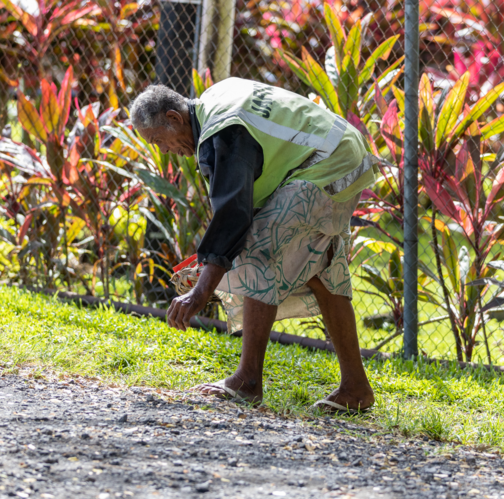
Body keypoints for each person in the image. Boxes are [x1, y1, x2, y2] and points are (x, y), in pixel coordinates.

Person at [130, 78, 375, 413]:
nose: (164, 150)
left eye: (159, 140)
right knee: (323, 268)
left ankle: (247, 382)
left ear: (174, 118)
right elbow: (245, 207)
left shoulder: (222, 129)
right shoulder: (217, 99)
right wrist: (208, 267)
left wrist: (202, 291)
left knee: (261, 250)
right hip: (344, 151)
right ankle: (356, 389)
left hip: (326, 162)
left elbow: (235, 215)